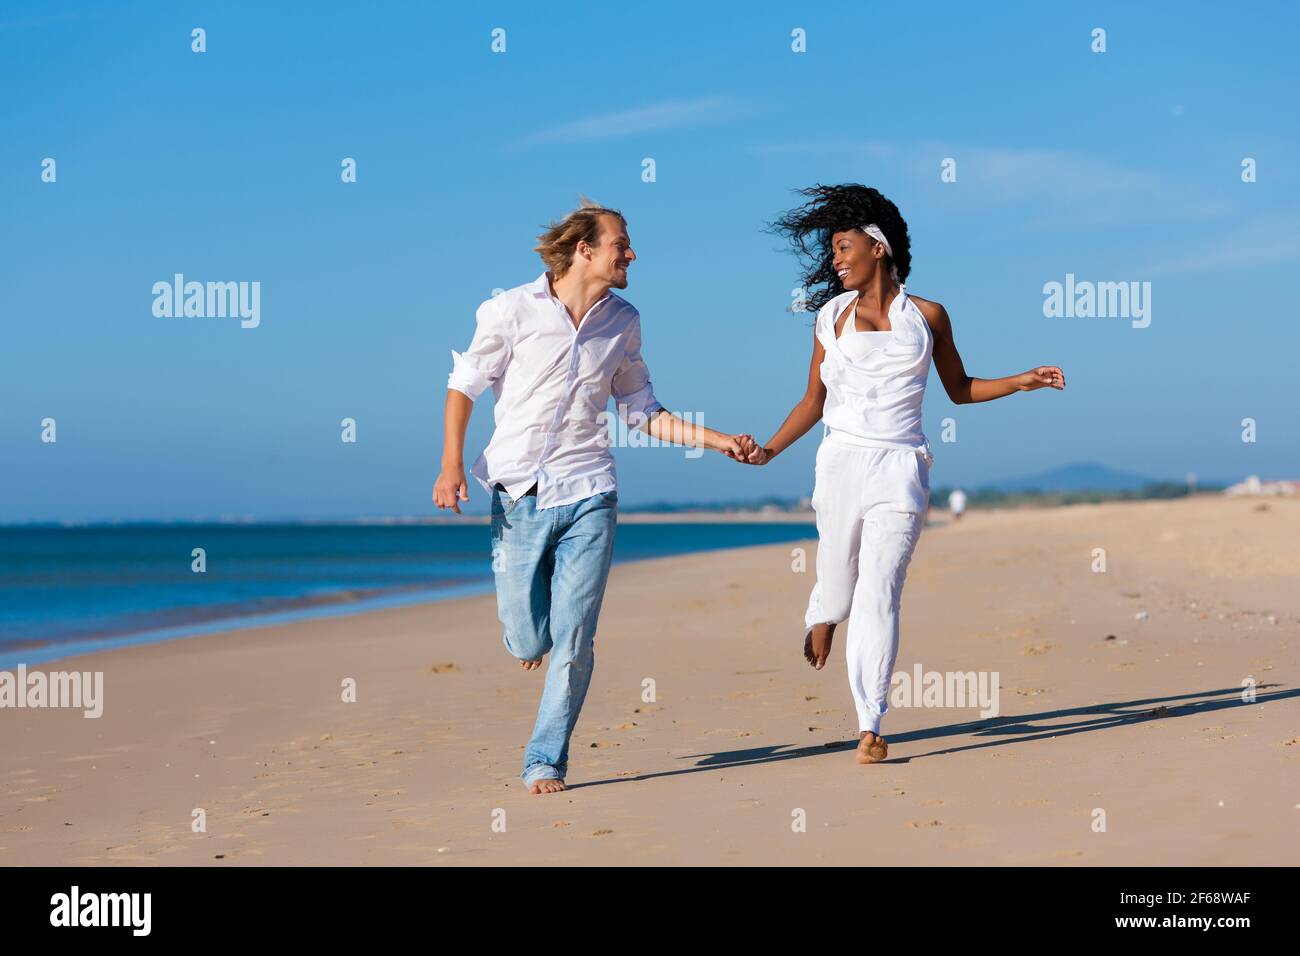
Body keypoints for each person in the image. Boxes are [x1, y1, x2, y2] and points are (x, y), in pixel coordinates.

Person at [433, 199, 757, 794]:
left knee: (576, 635)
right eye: (620, 243)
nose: (630, 253)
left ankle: (544, 760)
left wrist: (715, 440)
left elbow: (642, 411)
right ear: (585, 249)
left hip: (590, 491)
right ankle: (531, 639)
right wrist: (452, 463)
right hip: (519, 493)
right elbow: (463, 385)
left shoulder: (623, 320)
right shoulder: (510, 310)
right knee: (531, 636)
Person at [747, 184, 1065, 764]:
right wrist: (769, 450)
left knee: (880, 592)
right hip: (841, 464)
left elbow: (960, 390)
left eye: (844, 247)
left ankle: (870, 723)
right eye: (833, 250)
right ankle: (823, 612)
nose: (835, 259)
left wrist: (1020, 381)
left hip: (901, 467)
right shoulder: (828, 317)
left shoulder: (928, 316)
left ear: (878, 246)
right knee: (840, 583)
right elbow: (812, 401)